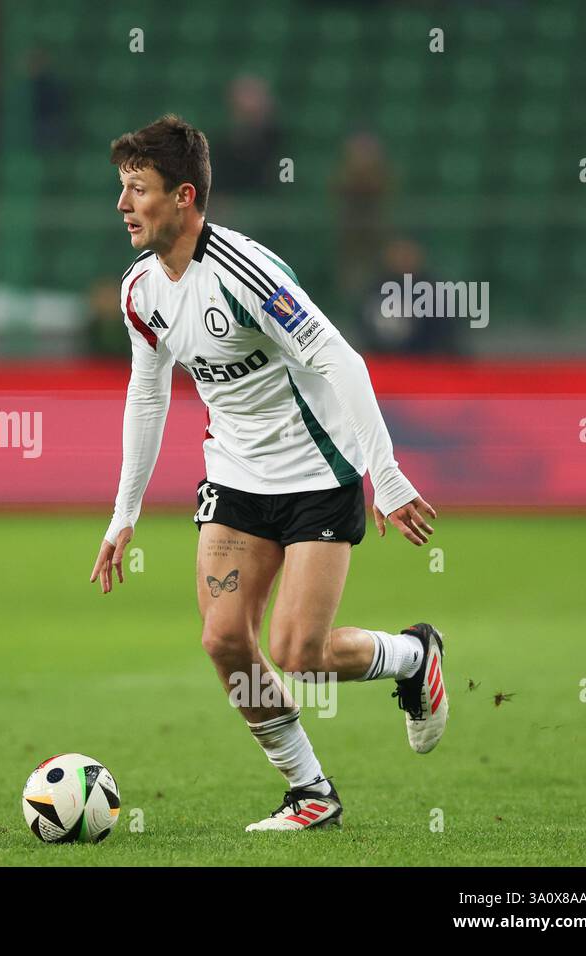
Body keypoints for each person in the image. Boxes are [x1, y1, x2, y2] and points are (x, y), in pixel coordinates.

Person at [89, 116, 446, 831]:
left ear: (184, 196)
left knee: (299, 653)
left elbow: (342, 361)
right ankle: (310, 792)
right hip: (236, 478)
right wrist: (123, 513)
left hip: (318, 470)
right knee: (225, 641)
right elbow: (149, 392)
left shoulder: (248, 274)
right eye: (121, 189)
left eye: (138, 190)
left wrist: (388, 475)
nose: (123, 205)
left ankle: (413, 657)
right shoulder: (140, 291)